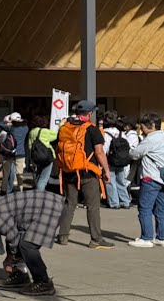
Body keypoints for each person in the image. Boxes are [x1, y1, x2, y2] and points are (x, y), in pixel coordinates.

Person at [54, 100, 111, 249]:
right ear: (90, 113)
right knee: (93, 206)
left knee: (69, 204)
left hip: (68, 171)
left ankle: (63, 236)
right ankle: (96, 239)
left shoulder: (65, 127)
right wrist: (106, 170)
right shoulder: (92, 129)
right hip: (87, 172)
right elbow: (99, 151)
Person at [0, 189, 64, 296]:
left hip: (51, 207)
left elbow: (12, 236)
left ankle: (43, 282)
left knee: (27, 246)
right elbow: (13, 233)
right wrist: (12, 257)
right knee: (21, 243)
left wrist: (11, 259)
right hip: (47, 205)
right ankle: (20, 275)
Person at [127, 113, 164, 248]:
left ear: (151, 126)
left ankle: (146, 238)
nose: (141, 130)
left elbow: (135, 154)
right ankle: (162, 238)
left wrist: (130, 150)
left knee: (145, 207)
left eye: (142, 127)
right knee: (161, 208)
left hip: (151, 177)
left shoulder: (151, 139)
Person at [101, 113, 130, 209]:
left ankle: (114, 203)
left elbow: (104, 149)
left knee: (110, 181)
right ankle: (125, 201)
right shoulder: (120, 133)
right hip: (121, 161)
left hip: (110, 160)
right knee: (121, 181)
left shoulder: (104, 133)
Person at [26, 115, 58, 193]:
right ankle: (39, 196)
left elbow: (29, 146)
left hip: (36, 157)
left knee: (38, 176)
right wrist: (61, 124)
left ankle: (36, 193)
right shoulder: (44, 131)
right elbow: (56, 135)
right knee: (44, 179)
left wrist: (31, 159)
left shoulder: (31, 132)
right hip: (46, 157)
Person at [4, 112, 29, 193]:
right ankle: (20, 189)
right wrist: (20, 120)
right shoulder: (26, 128)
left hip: (11, 152)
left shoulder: (12, 128)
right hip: (21, 152)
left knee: (9, 172)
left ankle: (8, 190)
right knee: (20, 173)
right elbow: (26, 122)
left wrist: (10, 121)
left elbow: (1, 124)